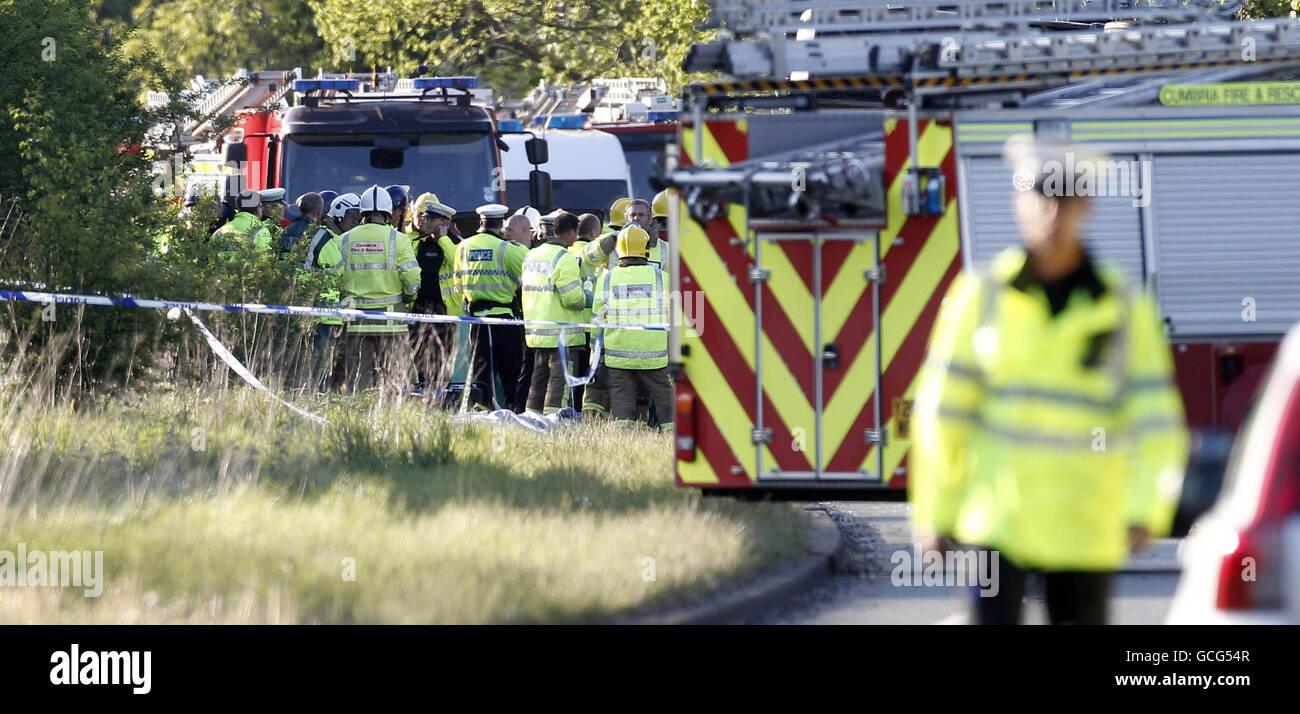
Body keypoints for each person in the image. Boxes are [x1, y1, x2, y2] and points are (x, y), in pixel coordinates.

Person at [909, 136, 1188, 625]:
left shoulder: (1122, 309)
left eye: (1064, 199)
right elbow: (941, 415)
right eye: (1040, 196)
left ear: (1086, 206)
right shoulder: (980, 298)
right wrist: (934, 514)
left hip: (1084, 527)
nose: (1052, 214)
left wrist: (1146, 509)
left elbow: (1157, 423)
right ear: (1019, 203)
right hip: (995, 522)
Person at [331, 185, 422, 394]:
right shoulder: (398, 239)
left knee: (358, 382)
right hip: (391, 322)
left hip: (356, 322)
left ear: (362, 211)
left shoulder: (343, 239)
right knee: (396, 381)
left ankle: (360, 418)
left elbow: (334, 278)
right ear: (388, 211)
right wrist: (409, 296)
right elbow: (412, 277)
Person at [592, 224, 673, 431]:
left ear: (618, 249)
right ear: (646, 249)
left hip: (618, 355)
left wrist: (595, 347)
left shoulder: (606, 278)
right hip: (655, 356)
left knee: (621, 399)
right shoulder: (662, 278)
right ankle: (672, 434)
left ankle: (625, 435)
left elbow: (598, 318)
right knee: (665, 400)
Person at [454, 203, 528, 410]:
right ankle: (514, 411)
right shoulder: (508, 249)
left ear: (481, 222)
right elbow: (527, 280)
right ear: (501, 225)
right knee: (510, 371)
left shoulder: (462, 247)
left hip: (476, 320)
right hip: (504, 319)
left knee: (481, 370)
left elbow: (457, 282)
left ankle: (482, 410)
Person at [521, 211, 589, 414]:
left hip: (537, 333)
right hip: (562, 335)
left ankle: (532, 418)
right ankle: (556, 422)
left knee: (538, 381)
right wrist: (586, 297)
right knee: (560, 384)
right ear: (570, 232)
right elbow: (572, 299)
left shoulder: (531, 255)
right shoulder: (565, 258)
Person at [301, 193, 361, 391]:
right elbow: (342, 276)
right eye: (352, 217)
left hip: (335, 313)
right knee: (320, 364)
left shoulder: (341, 238)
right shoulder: (328, 238)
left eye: (358, 218)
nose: (356, 223)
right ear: (338, 215)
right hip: (323, 313)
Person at [409, 193, 460, 391]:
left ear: (444, 223)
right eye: (423, 216)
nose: (424, 220)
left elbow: (457, 262)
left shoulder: (454, 242)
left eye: (430, 218)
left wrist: (443, 239)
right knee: (420, 358)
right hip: (419, 310)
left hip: (445, 312)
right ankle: (424, 394)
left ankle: (440, 397)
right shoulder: (418, 242)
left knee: (442, 359)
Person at [212, 188, 272, 256]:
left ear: (238, 207)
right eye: (261, 207)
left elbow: (211, 259)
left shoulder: (219, 233)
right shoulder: (261, 232)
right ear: (257, 209)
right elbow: (263, 262)